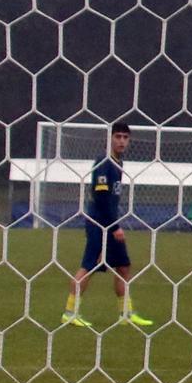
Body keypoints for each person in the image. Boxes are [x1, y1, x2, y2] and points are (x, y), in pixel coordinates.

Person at [61, 122, 153, 329]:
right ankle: (69, 312)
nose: (121, 141)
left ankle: (126, 313)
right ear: (110, 139)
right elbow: (101, 197)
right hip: (99, 224)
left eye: (125, 137)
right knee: (89, 266)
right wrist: (114, 227)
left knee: (123, 266)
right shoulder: (103, 163)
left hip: (110, 223)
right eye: (118, 136)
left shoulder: (119, 163)